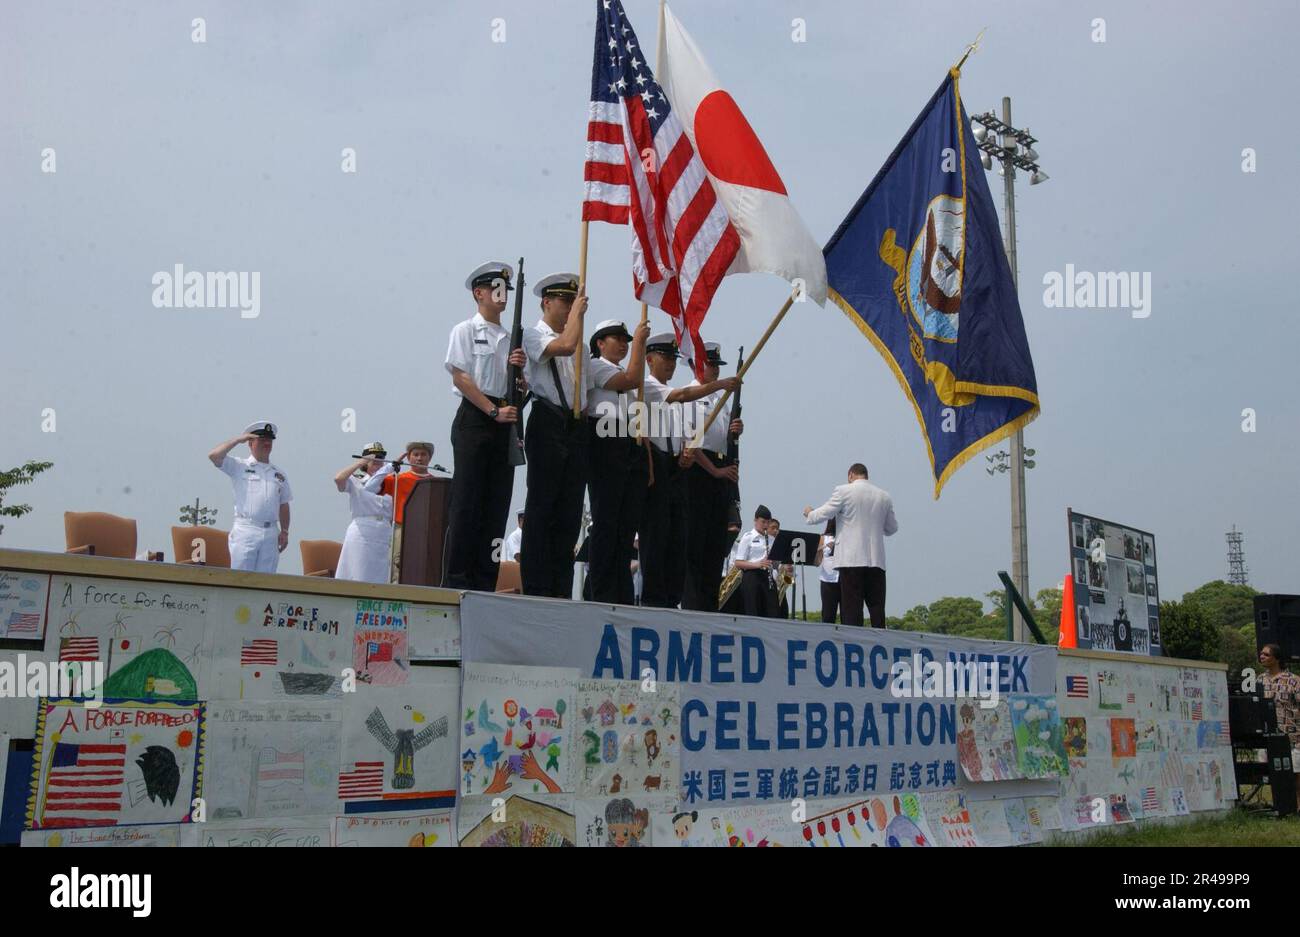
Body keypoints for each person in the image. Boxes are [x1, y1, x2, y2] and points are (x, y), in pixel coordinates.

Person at [637, 333, 739, 608]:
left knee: (677, 538)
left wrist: (685, 454)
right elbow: (680, 398)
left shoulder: (714, 396)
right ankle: (655, 598)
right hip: (659, 463)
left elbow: (685, 436)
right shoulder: (650, 387)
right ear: (649, 360)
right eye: (665, 357)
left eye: (672, 358)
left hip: (679, 466)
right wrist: (720, 384)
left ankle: (672, 598)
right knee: (658, 536)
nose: (670, 363)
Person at [444, 261, 528, 591]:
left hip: (503, 419)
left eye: (506, 289)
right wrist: (493, 411)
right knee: (467, 503)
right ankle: (456, 580)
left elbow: (520, 387)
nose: (502, 294)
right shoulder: (465, 330)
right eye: (496, 288)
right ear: (479, 293)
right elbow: (461, 377)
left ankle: (484, 580)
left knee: (496, 506)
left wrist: (519, 379)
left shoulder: (512, 338)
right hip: (476, 419)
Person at [520, 273, 591, 598]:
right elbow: (563, 346)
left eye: (572, 302)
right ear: (547, 302)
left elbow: (585, 391)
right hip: (547, 420)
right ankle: (536, 584)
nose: (568, 308)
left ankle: (560, 587)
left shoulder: (583, 346)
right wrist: (577, 316)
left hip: (575, 426)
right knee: (542, 507)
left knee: (570, 511)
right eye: (565, 301)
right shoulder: (533, 335)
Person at [586, 317, 650, 605]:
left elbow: (639, 420)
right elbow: (630, 380)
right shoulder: (596, 365)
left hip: (628, 444)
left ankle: (620, 589)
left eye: (627, 340)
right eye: (617, 339)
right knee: (606, 521)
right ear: (600, 343)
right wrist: (640, 343)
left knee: (626, 525)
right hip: (604, 442)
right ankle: (598, 588)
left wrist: (646, 463)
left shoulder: (628, 369)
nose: (623, 344)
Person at [681, 342, 744, 612]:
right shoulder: (690, 395)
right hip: (699, 473)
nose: (716, 371)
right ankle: (694, 604)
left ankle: (708, 604)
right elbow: (690, 442)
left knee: (715, 545)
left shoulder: (721, 399)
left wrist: (734, 431)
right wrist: (715, 470)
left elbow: (721, 440)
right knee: (695, 543)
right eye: (711, 365)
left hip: (720, 473)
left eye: (718, 366)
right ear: (697, 365)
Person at [803, 463, 898, 628]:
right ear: (866, 475)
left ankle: (854, 647)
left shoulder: (843, 491)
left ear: (850, 475)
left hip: (851, 559)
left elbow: (824, 513)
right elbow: (891, 528)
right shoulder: (884, 496)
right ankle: (881, 644)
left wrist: (810, 514)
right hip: (876, 560)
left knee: (852, 609)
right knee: (877, 609)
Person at [208, 421, 292, 573]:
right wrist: (238, 440)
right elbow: (214, 456)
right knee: (240, 580)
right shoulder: (240, 466)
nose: (267, 443)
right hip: (246, 530)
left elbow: (284, 503)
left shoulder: (279, 474)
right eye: (262, 439)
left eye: (269, 440)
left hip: (271, 533)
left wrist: (285, 531)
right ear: (250, 443)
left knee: (266, 583)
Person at [375, 441, 436, 582]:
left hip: (427, 530)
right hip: (402, 527)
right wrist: (390, 467)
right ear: (409, 458)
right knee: (399, 562)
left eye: (423, 455)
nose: (419, 458)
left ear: (429, 458)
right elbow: (373, 484)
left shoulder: (435, 482)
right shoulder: (398, 479)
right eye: (415, 455)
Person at [333, 443, 394, 583]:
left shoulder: (390, 482)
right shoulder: (356, 479)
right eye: (374, 460)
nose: (378, 463)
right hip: (362, 532)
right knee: (358, 573)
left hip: (383, 532)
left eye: (381, 460)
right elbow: (338, 479)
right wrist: (361, 461)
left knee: (380, 577)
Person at [1260, 643, 1300, 797]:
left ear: (1276, 659)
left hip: (1293, 735)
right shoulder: (1260, 680)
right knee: (1273, 772)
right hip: (1269, 734)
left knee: (1296, 773)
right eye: (1261, 653)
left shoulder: (1293, 680)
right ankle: (1280, 804)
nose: (1262, 656)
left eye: (1266, 654)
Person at [731, 505, 777, 618]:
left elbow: (776, 564)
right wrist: (757, 564)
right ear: (755, 521)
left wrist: (775, 561)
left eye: (768, 522)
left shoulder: (772, 539)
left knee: (772, 610)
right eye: (763, 522)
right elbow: (738, 562)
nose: (765, 525)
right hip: (752, 576)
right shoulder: (748, 537)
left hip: (768, 576)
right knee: (752, 609)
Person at [817, 517, 840, 624]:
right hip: (827, 581)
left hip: (844, 579)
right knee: (828, 615)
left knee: (847, 614)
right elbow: (816, 562)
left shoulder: (848, 537)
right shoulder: (823, 538)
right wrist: (821, 548)